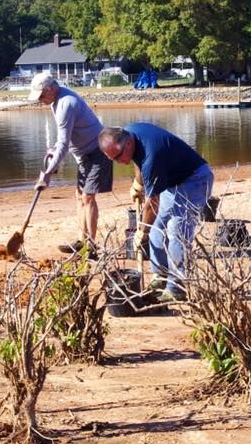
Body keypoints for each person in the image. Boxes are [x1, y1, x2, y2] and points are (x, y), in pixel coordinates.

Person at [97, 124, 213, 303]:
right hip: (172, 182)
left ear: (127, 143)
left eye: (119, 156)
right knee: (158, 229)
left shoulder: (152, 156)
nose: (119, 162)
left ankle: (176, 287)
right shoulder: (130, 134)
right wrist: (139, 184)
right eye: (113, 159)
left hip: (195, 180)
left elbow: (152, 204)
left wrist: (142, 230)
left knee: (176, 230)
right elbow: (138, 161)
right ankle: (160, 277)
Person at [28, 71, 112, 255]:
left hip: (98, 151)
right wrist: (54, 151)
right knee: (79, 195)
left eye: (41, 95)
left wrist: (48, 174)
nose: (40, 100)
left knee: (88, 197)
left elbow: (64, 145)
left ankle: (91, 246)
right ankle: (82, 240)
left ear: (51, 89)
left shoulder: (66, 104)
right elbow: (63, 140)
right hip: (84, 155)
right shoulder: (55, 101)